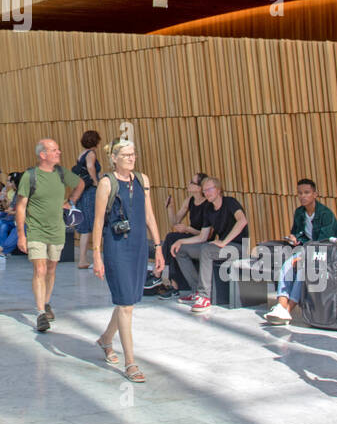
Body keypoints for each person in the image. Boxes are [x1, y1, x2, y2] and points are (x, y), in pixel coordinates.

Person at [91, 139, 163, 383]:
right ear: (114, 158)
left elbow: (149, 214)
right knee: (126, 305)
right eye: (126, 155)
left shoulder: (143, 180)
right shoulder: (106, 183)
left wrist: (159, 246)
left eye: (133, 154)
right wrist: (97, 254)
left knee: (128, 301)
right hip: (116, 246)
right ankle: (130, 363)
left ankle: (105, 340)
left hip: (138, 246)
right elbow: (98, 221)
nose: (131, 159)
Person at [14, 139, 84, 332]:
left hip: (57, 229)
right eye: (54, 150)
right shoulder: (30, 177)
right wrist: (22, 234)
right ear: (42, 155)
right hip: (36, 229)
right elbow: (20, 207)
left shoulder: (62, 173)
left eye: (58, 149)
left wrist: (71, 201)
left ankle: (46, 303)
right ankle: (39, 313)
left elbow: (80, 184)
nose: (59, 152)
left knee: (52, 268)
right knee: (40, 269)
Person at [168, 176, 248, 314]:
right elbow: (202, 236)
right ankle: (196, 291)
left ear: (218, 190)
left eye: (210, 189)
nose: (207, 193)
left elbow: (242, 221)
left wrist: (224, 242)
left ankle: (204, 297)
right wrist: (181, 241)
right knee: (181, 250)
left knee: (206, 249)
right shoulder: (209, 209)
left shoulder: (230, 202)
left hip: (238, 247)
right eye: (205, 191)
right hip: (220, 247)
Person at [264, 179, 337, 325]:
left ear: (315, 194)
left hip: (324, 253)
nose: (302, 196)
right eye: (300, 193)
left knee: (302, 269)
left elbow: (324, 242)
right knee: (287, 265)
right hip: (305, 250)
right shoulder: (299, 212)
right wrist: (294, 238)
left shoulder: (326, 214)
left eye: (306, 193)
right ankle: (281, 305)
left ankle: (287, 310)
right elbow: (298, 233)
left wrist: (304, 255)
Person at [157, 174, 208, 296]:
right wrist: (170, 208)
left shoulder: (207, 204)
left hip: (201, 238)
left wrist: (188, 229)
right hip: (191, 235)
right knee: (172, 238)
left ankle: (160, 274)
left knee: (172, 239)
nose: (189, 184)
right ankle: (171, 281)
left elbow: (206, 234)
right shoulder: (189, 200)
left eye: (192, 182)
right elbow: (175, 222)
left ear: (200, 188)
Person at [72, 130, 102, 269]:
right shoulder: (91, 154)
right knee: (93, 222)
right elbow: (90, 167)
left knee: (85, 227)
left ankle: (83, 259)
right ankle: (93, 257)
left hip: (81, 191)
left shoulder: (81, 154)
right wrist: (96, 181)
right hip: (90, 191)